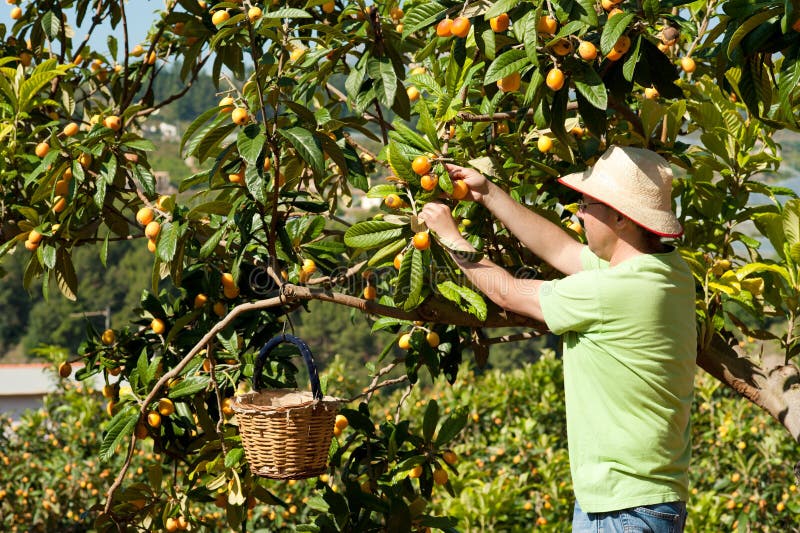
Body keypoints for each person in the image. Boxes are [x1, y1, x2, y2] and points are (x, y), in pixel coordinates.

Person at [420, 145, 696, 532]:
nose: (578, 213)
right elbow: (562, 249)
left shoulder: (613, 291)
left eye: (587, 204)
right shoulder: (669, 271)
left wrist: (450, 236)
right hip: (645, 500)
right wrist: (487, 193)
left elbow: (507, 292)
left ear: (620, 217)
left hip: (621, 510)